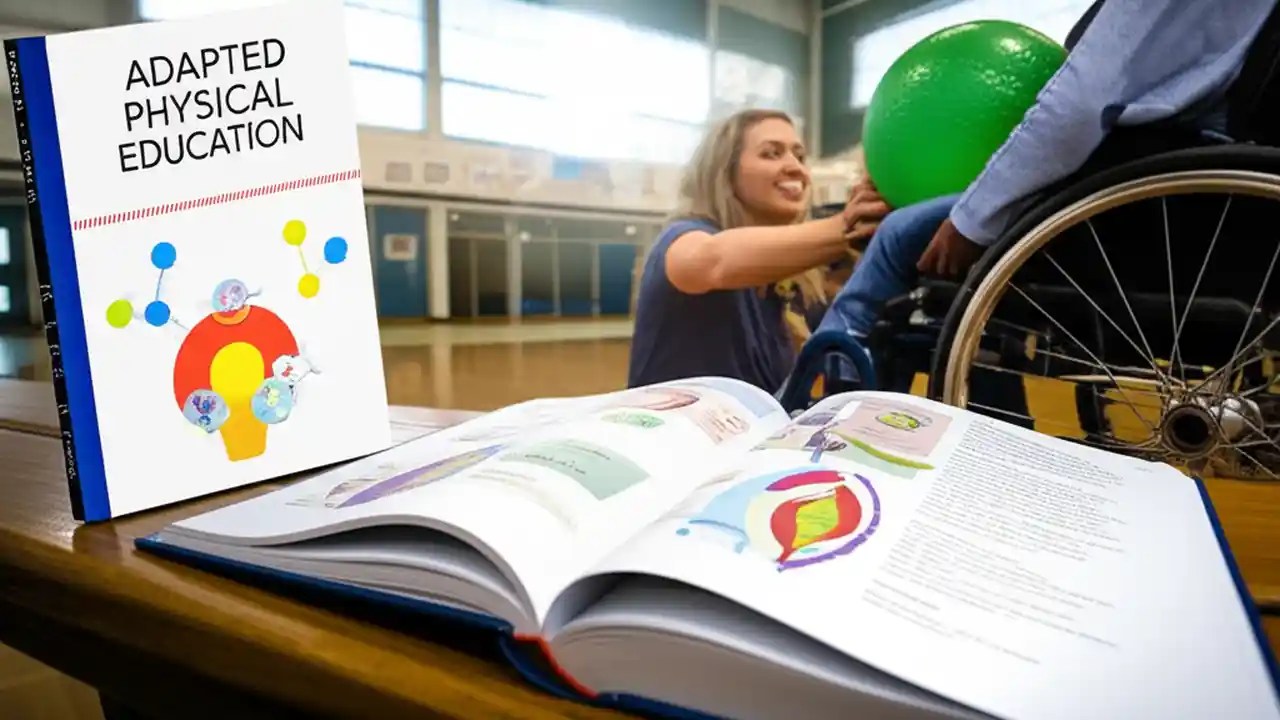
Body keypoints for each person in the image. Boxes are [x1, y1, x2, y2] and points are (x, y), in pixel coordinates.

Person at [817, 0, 1280, 350]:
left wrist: (973, 219)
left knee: (901, 234)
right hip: (1232, 215)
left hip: (1160, 209)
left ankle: (816, 403)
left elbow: (1078, 106)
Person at [627, 109, 890, 392]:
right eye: (771, 154)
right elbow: (711, 261)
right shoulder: (683, 235)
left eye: (799, 157)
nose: (796, 168)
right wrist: (849, 226)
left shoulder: (796, 284)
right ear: (725, 171)